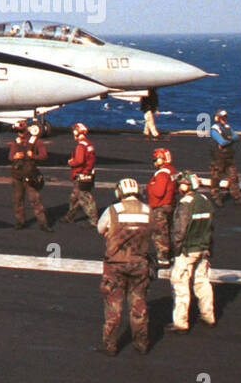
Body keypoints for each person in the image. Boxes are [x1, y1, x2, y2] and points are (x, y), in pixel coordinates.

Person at [97, 178, 153, 355]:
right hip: (139, 263)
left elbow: (100, 229)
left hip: (116, 265)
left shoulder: (113, 210)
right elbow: (154, 230)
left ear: (119, 192)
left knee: (114, 307)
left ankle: (110, 346)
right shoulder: (147, 210)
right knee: (139, 304)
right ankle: (142, 343)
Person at [168, 172, 216, 333]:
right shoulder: (205, 200)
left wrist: (174, 251)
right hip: (203, 248)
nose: (178, 186)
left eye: (181, 183)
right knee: (202, 282)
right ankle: (208, 315)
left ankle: (181, 323)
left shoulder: (185, 204)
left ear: (187, 186)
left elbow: (179, 231)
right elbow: (211, 227)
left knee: (180, 285)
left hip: (187, 251)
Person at [9, 121, 52, 231]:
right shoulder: (16, 142)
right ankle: (20, 221)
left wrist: (33, 156)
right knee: (18, 200)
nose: (19, 134)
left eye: (21, 131)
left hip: (30, 175)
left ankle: (43, 224)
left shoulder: (35, 141)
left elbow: (44, 155)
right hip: (17, 175)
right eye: (18, 132)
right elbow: (10, 157)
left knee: (35, 200)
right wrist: (15, 156)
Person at [59, 123, 98, 225]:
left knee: (85, 198)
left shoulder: (81, 146)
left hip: (81, 175)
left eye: (74, 131)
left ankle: (93, 220)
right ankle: (69, 217)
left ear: (77, 132)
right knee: (74, 198)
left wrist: (71, 162)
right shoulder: (88, 144)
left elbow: (79, 161)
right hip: (88, 174)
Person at [209, 109, 241, 206]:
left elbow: (236, 137)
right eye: (223, 118)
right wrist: (230, 139)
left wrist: (228, 140)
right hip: (218, 159)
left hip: (229, 157)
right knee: (216, 179)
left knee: (234, 178)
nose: (225, 119)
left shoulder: (227, 127)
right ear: (218, 118)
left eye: (225, 117)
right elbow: (222, 141)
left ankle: (237, 197)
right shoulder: (214, 129)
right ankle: (216, 198)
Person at [146, 147, 178, 269]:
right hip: (170, 205)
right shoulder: (172, 171)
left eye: (157, 158)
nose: (154, 160)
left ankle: (163, 258)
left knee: (159, 234)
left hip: (160, 206)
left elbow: (159, 192)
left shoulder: (162, 173)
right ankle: (170, 255)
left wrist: (150, 187)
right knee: (168, 231)